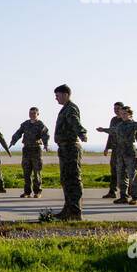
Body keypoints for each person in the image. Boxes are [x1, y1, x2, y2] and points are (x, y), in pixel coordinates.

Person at [52, 84, 87, 220]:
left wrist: (82, 133)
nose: (56, 98)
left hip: (71, 148)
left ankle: (75, 211)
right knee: (66, 179)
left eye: (58, 95)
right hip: (65, 147)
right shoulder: (65, 109)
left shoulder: (70, 108)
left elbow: (75, 123)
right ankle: (68, 209)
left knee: (73, 179)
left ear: (66, 94)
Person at [8, 107, 51, 198]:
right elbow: (18, 133)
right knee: (26, 171)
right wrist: (13, 141)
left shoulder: (40, 124)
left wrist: (46, 144)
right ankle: (27, 192)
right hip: (26, 149)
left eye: (34, 113)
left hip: (36, 150)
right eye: (30, 113)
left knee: (37, 171)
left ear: (37, 114)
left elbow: (45, 134)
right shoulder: (25, 124)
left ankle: (37, 192)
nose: (32, 115)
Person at [101, 102, 125, 198]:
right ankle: (112, 191)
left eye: (118, 108)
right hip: (115, 149)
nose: (116, 110)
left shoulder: (126, 120)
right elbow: (110, 134)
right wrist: (107, 148)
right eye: (114, 108)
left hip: (123, 149)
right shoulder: (113, 120)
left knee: (123, 171)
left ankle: (125, 193)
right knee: (113, 170)